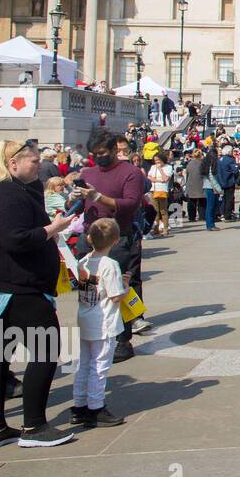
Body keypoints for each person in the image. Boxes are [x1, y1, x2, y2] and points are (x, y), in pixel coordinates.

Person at [0, 140, 77, 449]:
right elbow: (15, 240)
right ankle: (34, 425)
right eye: (33, 161)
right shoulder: (9, 194)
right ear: (13, 164)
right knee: (46, 352)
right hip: (19, 289)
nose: (39, 165)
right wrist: (53, 228)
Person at [76, 129, 148, 363]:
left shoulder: (131, 172)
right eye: (93, 154)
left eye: (102, 153)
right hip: (89, 240)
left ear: (115, 150)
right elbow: (82, 205)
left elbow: (129, 204)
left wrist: (98, 197)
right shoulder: (89, 172)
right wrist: (76, 199)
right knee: (89, 290)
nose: (98, 157)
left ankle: (123, 339)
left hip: (118, 239)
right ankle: (92, 333)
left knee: (118, 289)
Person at [71, 218, 127, 428]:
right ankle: (95, 407)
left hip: (86, 316)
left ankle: (79, 405)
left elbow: (90, 291)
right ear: (116, 241)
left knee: (84, 363)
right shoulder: (110, 265)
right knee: (100, 365)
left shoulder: (84, 261)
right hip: (104, 321)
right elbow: (115, 296)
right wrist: (126, 288)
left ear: (89, 238)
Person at [149, 150, 173, 238]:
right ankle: (156, 229)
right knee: (155, 211)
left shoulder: (168, 167)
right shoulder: (152, 167)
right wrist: (158, 180)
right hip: (153, 190)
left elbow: (166, 179)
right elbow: (149, 177)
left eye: (158, 160)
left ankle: (165, 228)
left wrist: (160, 170)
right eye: (155, 160)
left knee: (163, 210)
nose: (157, 162)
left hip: (162, 190)